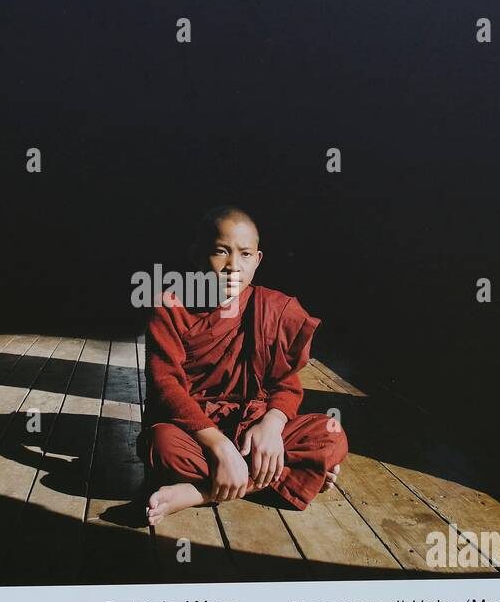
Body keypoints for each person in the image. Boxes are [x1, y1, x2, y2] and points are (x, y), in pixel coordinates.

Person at [139, 205, 348, 525]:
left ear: (258, 260)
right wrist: (219, 446)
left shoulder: (274, 309)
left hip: (254, 427)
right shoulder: (171, 307)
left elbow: (285, 384)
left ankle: (202, 492)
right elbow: (166, 386)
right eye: (221, 252)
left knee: (329, 433)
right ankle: (290, 474)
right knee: (161, 445)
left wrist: (272, 426)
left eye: (245, 254)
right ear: (196, 255)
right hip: (195, 432)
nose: (233, 266)